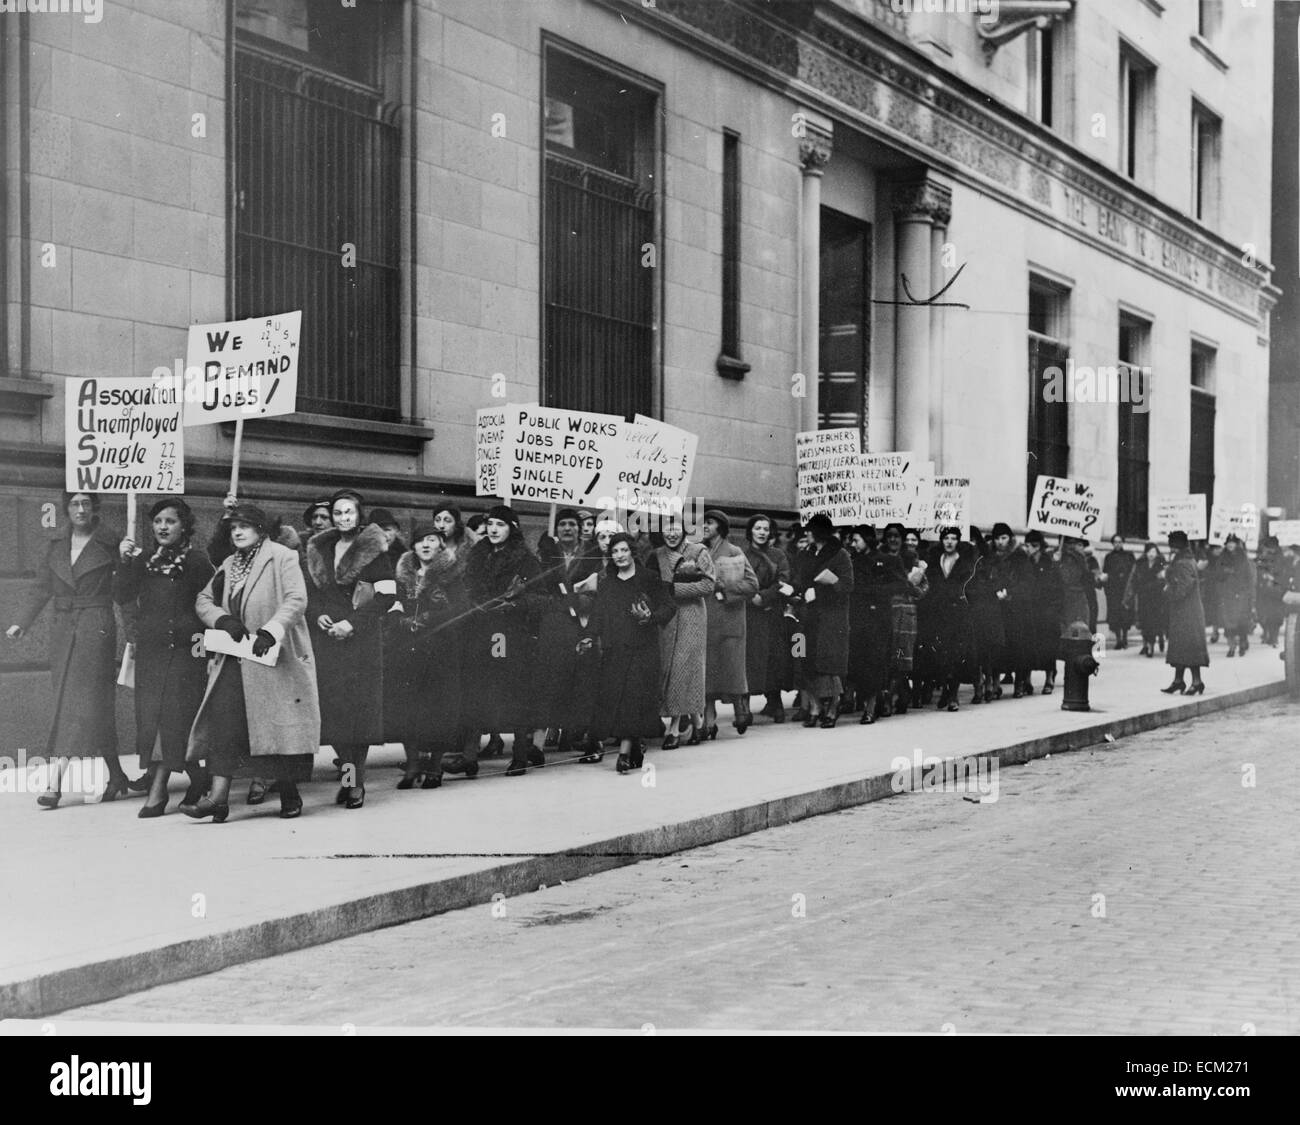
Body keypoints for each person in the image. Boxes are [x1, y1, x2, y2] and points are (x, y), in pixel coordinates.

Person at [184, 503, 321, 821]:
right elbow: (203, 599)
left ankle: (289, 793)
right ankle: (217, 798)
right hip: (236, 657)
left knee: (276, 727)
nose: (238, 532)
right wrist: (221, 620)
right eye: (233, 528)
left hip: (274, 656)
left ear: (261, 529)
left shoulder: (282, 557)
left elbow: (296, 599)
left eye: (245, 526)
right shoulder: (230, 564)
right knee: (225, 724)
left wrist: (271, 631)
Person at [6, 492, 143, 807]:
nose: (81, 509)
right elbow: (42, 587)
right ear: (66, 509)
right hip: (63, 631)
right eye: (74, 504)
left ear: (95, 508)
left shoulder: (113, 544)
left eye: (86, 504)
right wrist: (21, 622)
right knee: (92, 705)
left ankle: (54, 783)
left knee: (75, 705)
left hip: (95, 627)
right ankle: (117, 774)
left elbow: (125, 592)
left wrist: (125, 561)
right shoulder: (57, 545)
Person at [114, 498, 215, 817]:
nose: (162, 527)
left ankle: (157, 793)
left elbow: (209, 605)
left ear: (184, 526)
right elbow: (121, 594)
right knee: (153, 721)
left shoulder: (198, 562)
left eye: (170, 521)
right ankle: (199, 778)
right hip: (152, 654)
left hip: (187, 654)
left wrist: (204, 654)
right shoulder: (143, 559)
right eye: (157, 521)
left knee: (172, 721)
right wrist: (124, 561)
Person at [304, 489, 397, 809]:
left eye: (349, 512)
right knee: (335, 713)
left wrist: (353, 623)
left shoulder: (374, 551)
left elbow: (387, 597)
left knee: (359, 714)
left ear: (359, 515)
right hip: (328, 641)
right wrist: (319, 616)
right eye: (338, 513)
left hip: (362, 642)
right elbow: (311, 595)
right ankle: (348, 776)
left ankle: (354, 783)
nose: (343, 518)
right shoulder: (320, 548)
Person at [459, 506, 547, 776]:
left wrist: (515, 605)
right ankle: (469, 757)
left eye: (500, 524)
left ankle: (520, 755)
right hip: (479, 631)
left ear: (512, 528)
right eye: (491, 524)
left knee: (514, 691)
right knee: (475, 690)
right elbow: (465, 588)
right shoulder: (477, 555)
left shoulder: (525, 559)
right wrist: (472, 604)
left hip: (511, 633)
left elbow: (543, 598)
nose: (494, 530)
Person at [384, 525, 467, 789]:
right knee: (408, 708)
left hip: (441, 650)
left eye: (432, 540)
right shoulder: (402, 575)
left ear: (441, 545)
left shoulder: (453, 574)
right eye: (420, 541)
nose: (426, 545)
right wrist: (401, 620)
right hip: (407, 649)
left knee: (438, 708)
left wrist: (432, 618)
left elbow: (462, 608)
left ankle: (435, 765)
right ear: (413, 547)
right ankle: (412, 764)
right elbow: (390, 604)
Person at [591, 533, 677, 772]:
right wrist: (588, 636)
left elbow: (669, 606)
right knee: (620, 702)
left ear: (632, 552)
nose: (619, 556)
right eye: (615, 551)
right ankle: (636, 745)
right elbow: (598, 614)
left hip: (643, 649)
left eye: (624, 550)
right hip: (615, 649)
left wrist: (651, 617)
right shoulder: (608, 582)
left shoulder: (648, 578)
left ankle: (624, 754)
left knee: (633, 699)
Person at [650, 513, 715, 748]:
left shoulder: (698, 552)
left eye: (675, 527)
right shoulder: (656, 555)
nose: (671, 532)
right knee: (671, 669)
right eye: (666, 528)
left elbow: (708, 584)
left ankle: (675, 730)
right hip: (666, 619)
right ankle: (699, 725)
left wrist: (673, 589)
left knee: (682, 669)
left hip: (691, 617)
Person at [701, 509, 758, 737]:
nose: (705, 526)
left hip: (730, 621)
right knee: (708, 674)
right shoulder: (699, 551)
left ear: (721, 527)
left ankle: (740, 711)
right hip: (707, 621)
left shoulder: (734, 551)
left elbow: (752, 584)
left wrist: (725, 587)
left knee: (732, 671)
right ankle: (708, 722)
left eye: (710, 522)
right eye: (703, 522)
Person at [795, 513, 854, 727]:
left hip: (831, 617)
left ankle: (833, 706)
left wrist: (820, 593)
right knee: (803, 659)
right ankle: (815, 705)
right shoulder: (804, 554)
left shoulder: (840, 555)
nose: (807, 534)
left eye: (811, 530)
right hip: (806, 615)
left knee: (830, 664)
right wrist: (794, 589)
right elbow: (798, 579)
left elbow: (847, 586)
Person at [741, 514, 792, 723]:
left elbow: (784, 581)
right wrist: (751, 597)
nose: (762, 532)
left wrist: (764, 597)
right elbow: (737, 580)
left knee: (775, 657)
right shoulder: (742, 555)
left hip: (773, 613)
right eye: (758, 528)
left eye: (765, 528)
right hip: (750, 615)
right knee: (749, 659)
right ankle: (744, 706)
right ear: (750, 531)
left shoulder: (778, 555)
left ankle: (775, 701)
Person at [919, 527, 976, 710]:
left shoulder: (966, 563)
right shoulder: (935, 560)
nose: (949, 541)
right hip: (938, 613)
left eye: (953, 538)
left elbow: (970, 586)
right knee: (940, 654)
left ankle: (953, 695)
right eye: (946, 538)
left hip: (958, 613)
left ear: (958, 541)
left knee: (956, 654)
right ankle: (945, 690)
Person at [1161, 530, 1209, 694]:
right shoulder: (1185, 560)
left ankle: (1197, 681)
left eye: (1172, 546)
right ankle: (1179, 680)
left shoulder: (1182, 563)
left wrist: (1168, 589)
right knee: (1181, 646)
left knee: (1190, 647)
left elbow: (1183, 588)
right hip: (1185, 611)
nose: (1171, 550)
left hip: (1186, 611)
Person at [966, 527, 1005, 704]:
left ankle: (989, 683)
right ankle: (978, 686)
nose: (971, 544)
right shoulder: (962, 559)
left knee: (988, 647)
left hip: (988, 607)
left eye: (973, 540)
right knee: (974, 649)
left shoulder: (988, 559)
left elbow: (997, 580)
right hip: (970, 606)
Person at [1021, 530, 1062, 694]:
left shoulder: (1050, 563)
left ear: (1039, 547)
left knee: (1048, 647)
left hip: (1047, 612)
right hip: (1029, 610)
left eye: (1032, 545)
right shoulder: (1025, 563)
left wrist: (1054, 609)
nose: (1029, 549)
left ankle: (1049, 678)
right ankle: (1027, 680)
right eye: (1027, 545)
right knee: (1028, 646)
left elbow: (1058, 589)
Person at [1124, 542, 1167, 657]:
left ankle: (1153, 644)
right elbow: (1133, 579)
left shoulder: (1161, 562)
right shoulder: (1139, 563)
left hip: (1157, 598)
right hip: (1143, 597)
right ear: (1146, 553)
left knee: (1154, 622)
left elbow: (1165, 580)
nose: (1151, 554)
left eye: (1154, 552)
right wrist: (1130, 595)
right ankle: (1146, 644)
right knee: (1144, 621)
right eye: (1149, 552)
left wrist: (1157, 582)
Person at [1217, 534, 1256, 657]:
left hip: (1241, 594)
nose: (1230, 545)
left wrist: (1248, 594)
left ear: (1236, 544)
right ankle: (1232, 646)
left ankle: (1243, 642)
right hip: (1227, 594)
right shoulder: (1222, 558)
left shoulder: (1243, 559)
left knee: (1241, 621)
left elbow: (1249, 578)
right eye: (1228, 543)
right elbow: (1217, 576)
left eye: (1232, 543)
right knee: (1228, 622)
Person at [1102, 535, 1136, 649]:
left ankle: (1125, 638)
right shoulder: (1109, 557)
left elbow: (1133, 572)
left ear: (1123, 543)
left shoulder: (1129, 556)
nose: (1118, 544)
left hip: (1125, 590)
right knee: (1115, 614)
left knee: (1125, 614)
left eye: (1120, 542)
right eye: (1115, 542)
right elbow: (1105, 572)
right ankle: (1118, 639)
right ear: (1112, 543)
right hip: (1113, 590)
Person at [1256, 536, 1286, 647]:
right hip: (1264, 591)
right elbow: (1258, 569)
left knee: (1275, 616)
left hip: (1276, 591)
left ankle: (1274, 637)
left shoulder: (1281, 558)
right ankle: (1267, 632)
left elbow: (1283, 573)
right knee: (1263, 614)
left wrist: (1273, 579)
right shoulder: (1263, 556)